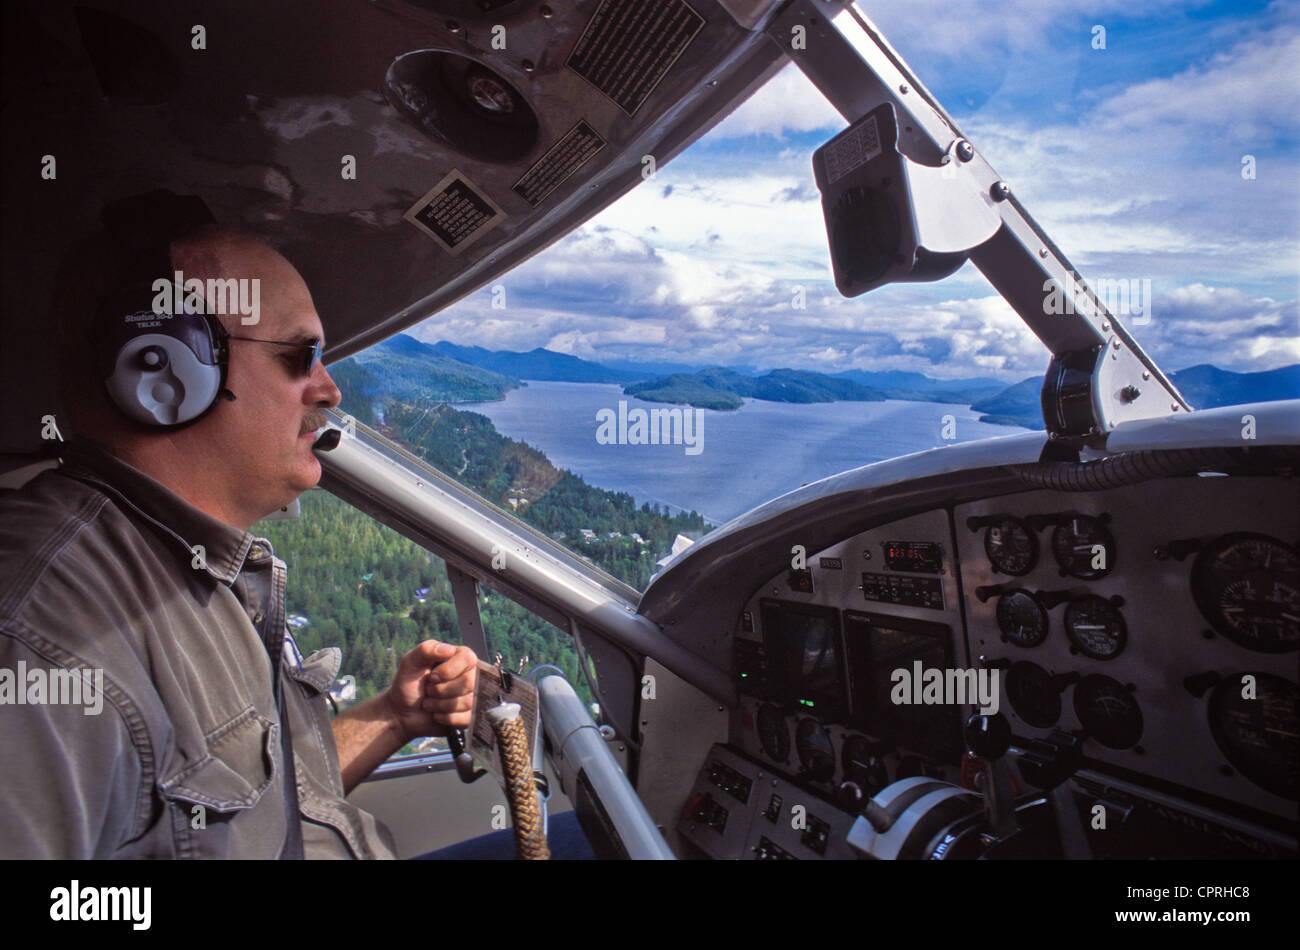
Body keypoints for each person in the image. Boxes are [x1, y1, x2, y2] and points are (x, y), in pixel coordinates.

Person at [0, 191, 478, 858]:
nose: (330, 389)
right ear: (161, 367)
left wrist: (394, 716)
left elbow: (245, 811)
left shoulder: (186, 565)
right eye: (298, 356)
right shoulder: (45, 637)